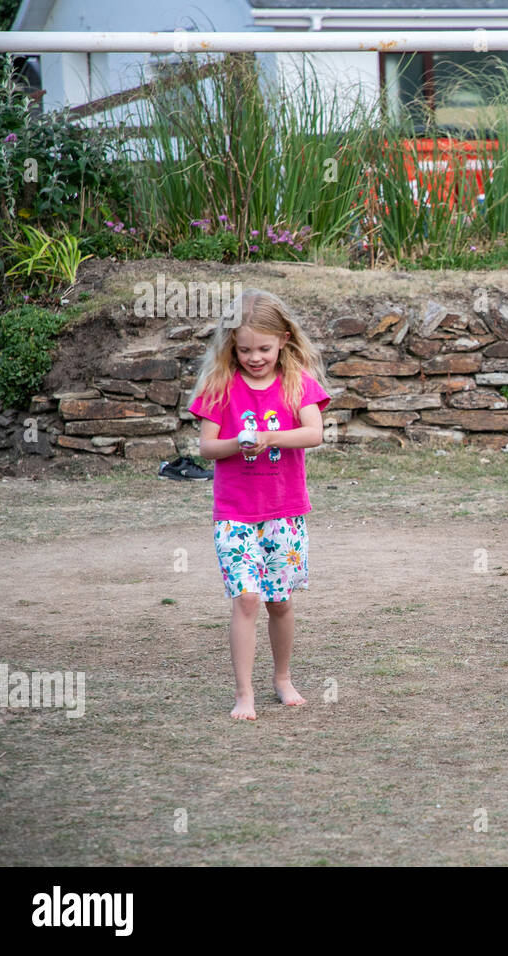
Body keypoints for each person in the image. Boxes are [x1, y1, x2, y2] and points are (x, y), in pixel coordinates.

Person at [188, 290, 330, 720]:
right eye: (244, 349)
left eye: (264, 349)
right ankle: (244, 693)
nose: (254, 358)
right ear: (231, 345)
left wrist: (269, 437)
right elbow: (207, 447)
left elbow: (314, 433)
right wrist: (239, 443)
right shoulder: (219, 386)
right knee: (246, 599)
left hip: (284, 512)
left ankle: (282, 678)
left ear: (284, 340)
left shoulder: (297, 382)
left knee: (279, 601)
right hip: (235, 514)